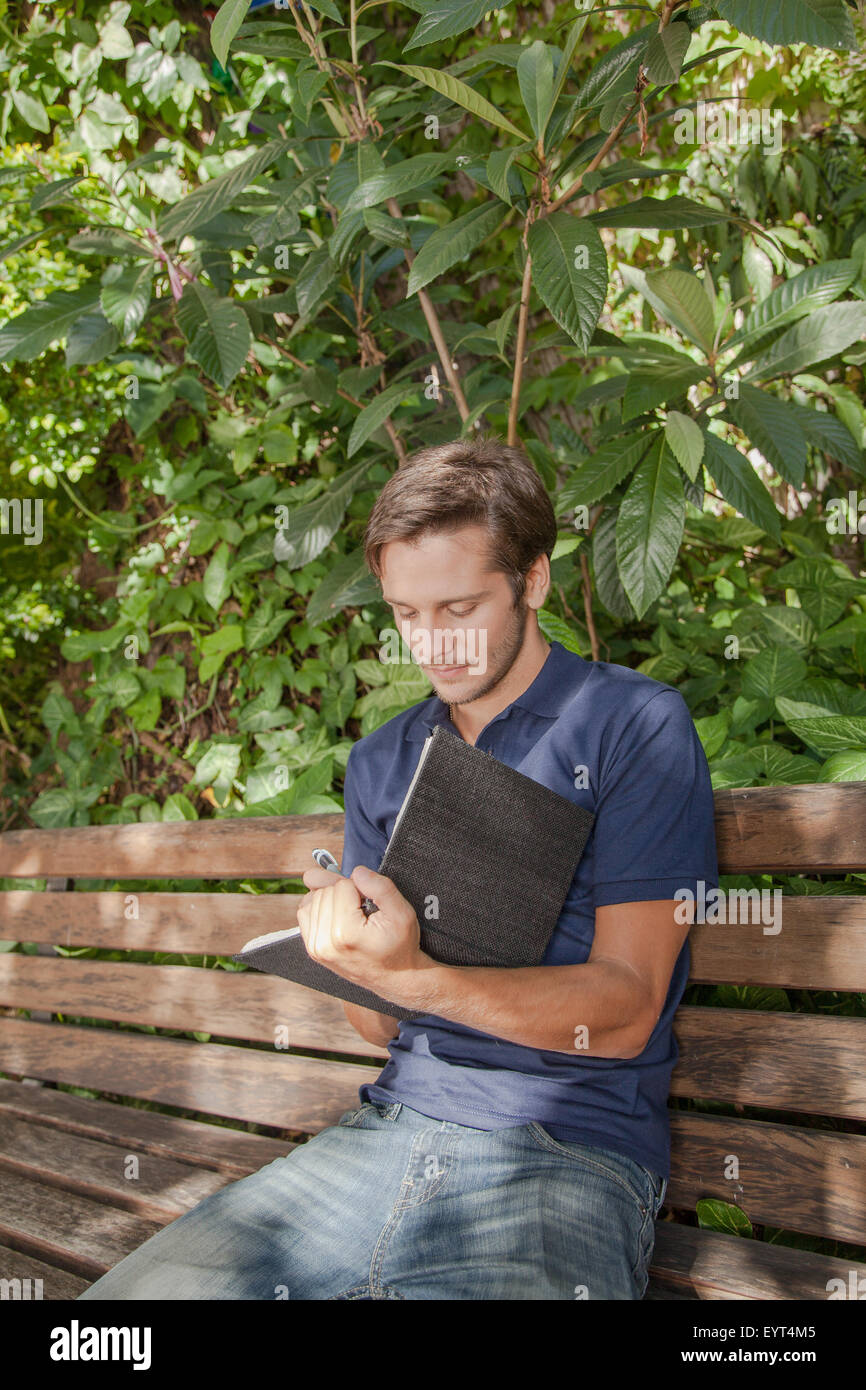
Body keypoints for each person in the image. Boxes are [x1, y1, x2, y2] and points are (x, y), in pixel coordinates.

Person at [79, 436, 718, 1301]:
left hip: (564, 1154)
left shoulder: (631, 725)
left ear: (533, 580)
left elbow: (627, 1012)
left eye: (459, 609)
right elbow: (381, 1030)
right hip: (383, 1132)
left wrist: (415, 978)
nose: (432, 645)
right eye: (406, 614)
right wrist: (356, 963)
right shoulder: (387, 758)